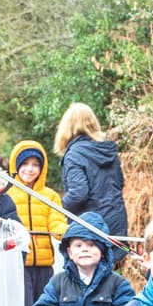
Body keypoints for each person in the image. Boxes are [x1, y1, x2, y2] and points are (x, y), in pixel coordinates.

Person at [8, 140, 69, 306]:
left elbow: (57, 219)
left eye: (35, 165)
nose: (30, 169)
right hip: (18, 264)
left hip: (44, 265)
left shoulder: (51, 196)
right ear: (16, 166)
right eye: (25, 164)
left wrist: (62, 232)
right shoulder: (8, 194)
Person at [53, 102, 128, 244]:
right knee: (111, 265)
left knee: (88, 265)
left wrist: (57, 208)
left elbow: (78, 193)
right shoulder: (108, 150)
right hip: (116, 219)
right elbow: (119, 182)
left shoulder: (74, 154)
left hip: (91, 225)